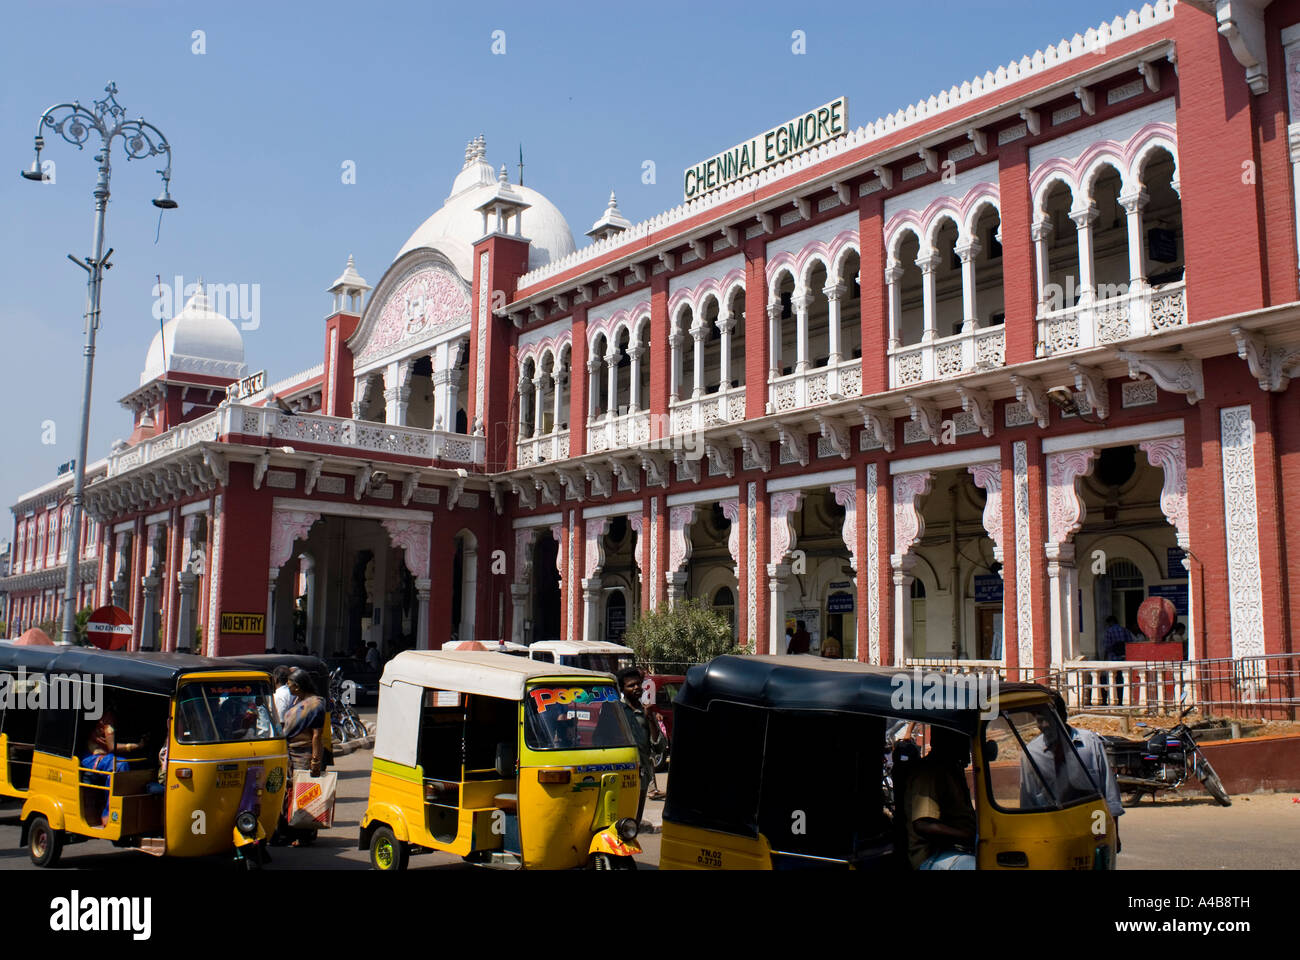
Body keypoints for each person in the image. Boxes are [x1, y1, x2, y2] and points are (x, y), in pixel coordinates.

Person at [1021, 693, 1124, 851]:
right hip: (1053, 832)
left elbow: (1109, 790)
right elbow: (1028, 801)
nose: (1045, 725)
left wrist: (1114, 834)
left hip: (1093, 825)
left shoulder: (1090, 743)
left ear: (1063, 717)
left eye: (1049, 719)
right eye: (1040, 720)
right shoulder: (1032, 753)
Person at [904, 726, 977, 870]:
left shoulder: (952, 769)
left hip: (958, 850)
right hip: (933, 856)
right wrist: (968, 836)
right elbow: (923, 825)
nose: (968, 745)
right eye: (963, 739)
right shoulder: (929, 773)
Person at [274, 668, 326, 846]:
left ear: (298, 686)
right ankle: (287, 832)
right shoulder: (298, 700)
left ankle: (303, 835)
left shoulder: (316, 704)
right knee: (288, 795)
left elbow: (317, 735)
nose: (288, 688)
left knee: (303, 796)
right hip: (290, 752)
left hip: (303, 754)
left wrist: (315, 761)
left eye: (290, 685)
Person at [615, 667, 663, 822]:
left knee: (635, 820)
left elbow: (659, 746)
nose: (636, 688)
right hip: (619, 773)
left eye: (638, 684)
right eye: (631, 685)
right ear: (622, 689)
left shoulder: (646, 712)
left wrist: (650, 718)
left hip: (641, 775)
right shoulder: (616, 711)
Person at [1102, 615, 1129, 705]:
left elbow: (1107, 646)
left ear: (1110, 623)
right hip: (1123, 658)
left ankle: (1114, 699)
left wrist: (1104, 658)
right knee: (1123, 680)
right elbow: (1130, 642)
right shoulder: (1124, 630)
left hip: (1113, 658)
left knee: (1112, 679)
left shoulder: (1109, 631)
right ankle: (1122, 699)